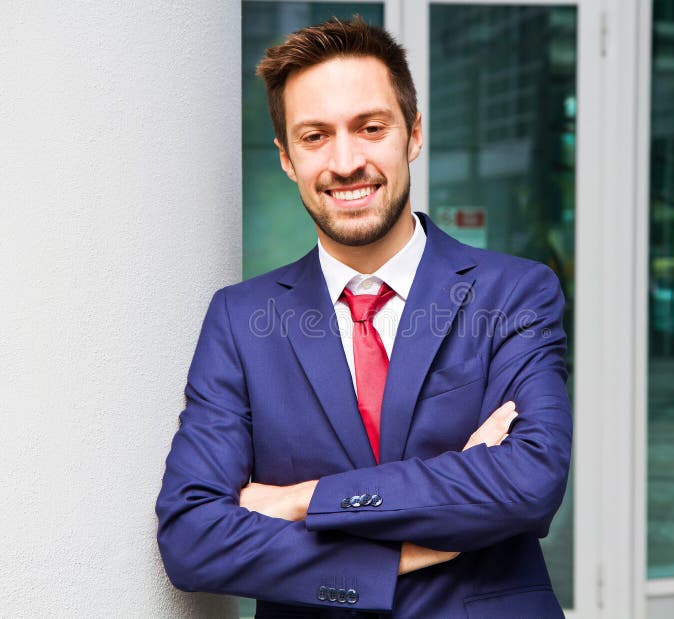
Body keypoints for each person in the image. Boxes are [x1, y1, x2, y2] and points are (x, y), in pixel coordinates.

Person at [156, 16, 571, 618]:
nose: (346, 161)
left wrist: (304, 499)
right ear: (286, 158)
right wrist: (397, 555)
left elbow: (530, 480)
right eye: (315, 136)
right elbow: (193, 537)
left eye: (370, 128)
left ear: (413, 134)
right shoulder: (241, 321)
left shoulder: (513, 294)